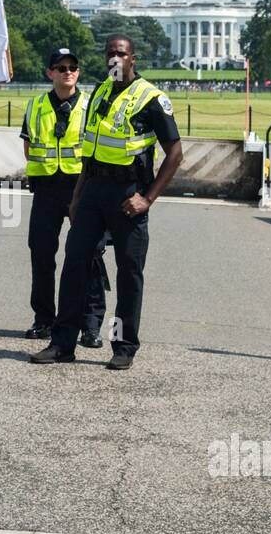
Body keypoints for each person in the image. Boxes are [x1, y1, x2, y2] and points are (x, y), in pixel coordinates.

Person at [29, 35, 183, 370]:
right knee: (75, 265)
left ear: (133, 59)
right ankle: (63, 343)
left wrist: (148, 199)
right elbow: (90, 150)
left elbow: (175, 153)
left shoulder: (151, 98)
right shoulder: (98, 91)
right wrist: (77, 196)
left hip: (129, 193)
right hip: (92, 191)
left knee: (128, 273)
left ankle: (123, 344)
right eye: (110, 53)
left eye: (121, 54)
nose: (115, 58)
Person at [21, 48, 108, 347]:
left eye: (72, 67)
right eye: (60, 67)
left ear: (78, 72)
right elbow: (29, 145)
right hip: (46, 188)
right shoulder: (34, 106)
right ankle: (44, 319)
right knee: (41, 255)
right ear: (50, 73)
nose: (67, 72)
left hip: (81, 188)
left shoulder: (90, 106)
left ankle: (90, 325)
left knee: (89, 256)